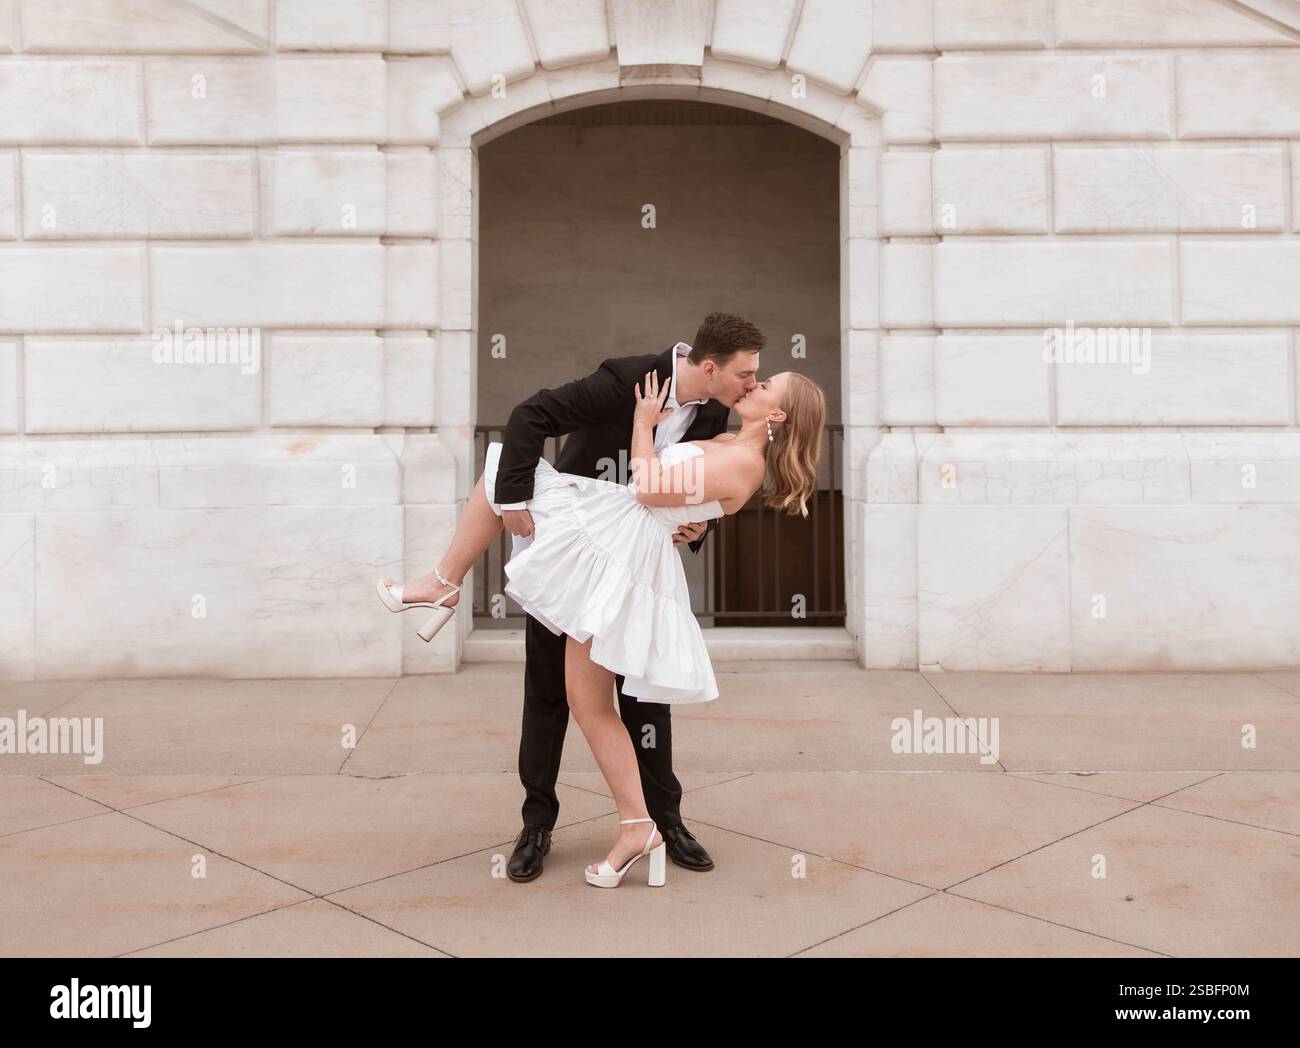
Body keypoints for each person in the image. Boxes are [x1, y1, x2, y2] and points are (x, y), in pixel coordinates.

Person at [377, 358, 827, 888]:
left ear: (777, 412)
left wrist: (642, 425)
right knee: (580, 699)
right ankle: (626, 826)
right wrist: (695, 515)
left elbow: (649, 487)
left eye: (765, 383)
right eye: (751, 373)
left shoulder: (744, 457)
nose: (754, 383)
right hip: (613, 536)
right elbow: (693, 497)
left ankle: (442, 584)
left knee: (599, 704)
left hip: (621, 557)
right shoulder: (725, 435)